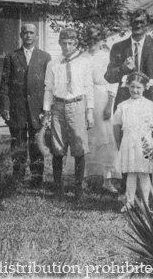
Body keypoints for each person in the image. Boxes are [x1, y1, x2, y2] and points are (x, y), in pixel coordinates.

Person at [43, 28, 94, 199]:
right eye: (63, 42)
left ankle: (78, 189)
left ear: (76, 44)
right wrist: (46, 112)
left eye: (70, 43)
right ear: (59, 43)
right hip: (58, 106)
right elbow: (48, 89)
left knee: (79, 147)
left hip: (77, 105)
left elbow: (89, 88)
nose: (66, 46)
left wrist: (90, 111)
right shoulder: (53, 64)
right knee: (58, 147)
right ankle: (58, 188)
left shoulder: (84, 62)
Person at [0, 23, 51, 186]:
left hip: (37, 109)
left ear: (36, 36)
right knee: (18, 144)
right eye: (25, 33)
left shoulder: (45, 57)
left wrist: (46, 110)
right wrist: (4, 107)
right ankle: (18, 178)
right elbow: (4, 84)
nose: (28, 35)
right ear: (20, 36)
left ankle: (37, 179)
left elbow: (48, 86)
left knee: (36, 144)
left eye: (31, 33)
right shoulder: (11, 56)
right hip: (17, 108)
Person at [113, 72, 153, 211]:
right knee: (131, 172)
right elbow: (116, 126)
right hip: (128, 142)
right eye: (132, 87)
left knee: (144, 172)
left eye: (138, 87)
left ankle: (146, 204)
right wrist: (119, 144)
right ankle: (129, 202)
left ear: (145, 88)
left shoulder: (151, 106)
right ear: (127, 86)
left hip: (145, 143)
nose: (135, 90)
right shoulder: (123, 106)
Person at [105, 9, 153, 109]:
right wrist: (123, 68)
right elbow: (109, 77)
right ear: (130, 24)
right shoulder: (118, 47)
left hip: (151, 102)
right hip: (126, 104)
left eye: (142, 22)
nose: (138, 25)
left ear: (148, 25)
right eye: (135, 22)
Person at [84, 38, 121, 194]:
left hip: (102, 96)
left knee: (106, 138)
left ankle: (107, 179)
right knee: (86, 137)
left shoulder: (106, 55)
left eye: (94, 36)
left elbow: (113, 81)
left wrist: (109, 104)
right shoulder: (82, 56)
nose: (91, 40)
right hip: (85, 97)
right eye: (88, 35)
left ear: (99, 39)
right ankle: (84, 178)